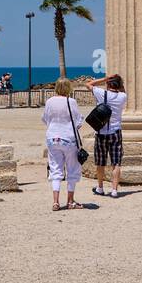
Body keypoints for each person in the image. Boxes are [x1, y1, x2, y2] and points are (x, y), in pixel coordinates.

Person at [41, 79, 86, 211]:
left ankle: (55, 202)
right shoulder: (71, 102)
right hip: (68, 139)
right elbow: (78, 121)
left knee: (55, 169)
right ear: (68, 88)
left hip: (52, 138)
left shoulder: (49, 101)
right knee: (72, 169)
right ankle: (70, 201)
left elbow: (45, 118)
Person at [90, 74, 127, 197]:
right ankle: (114, 190)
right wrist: (120, 84)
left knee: (100, 162)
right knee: (116, 162)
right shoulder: (122, 96)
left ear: (108, 84)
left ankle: (100, 188)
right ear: (120, 85)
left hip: (101, 132)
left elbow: (89, 84)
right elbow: (123, 90)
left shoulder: (102, 94)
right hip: (116, 132)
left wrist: (105, 79)